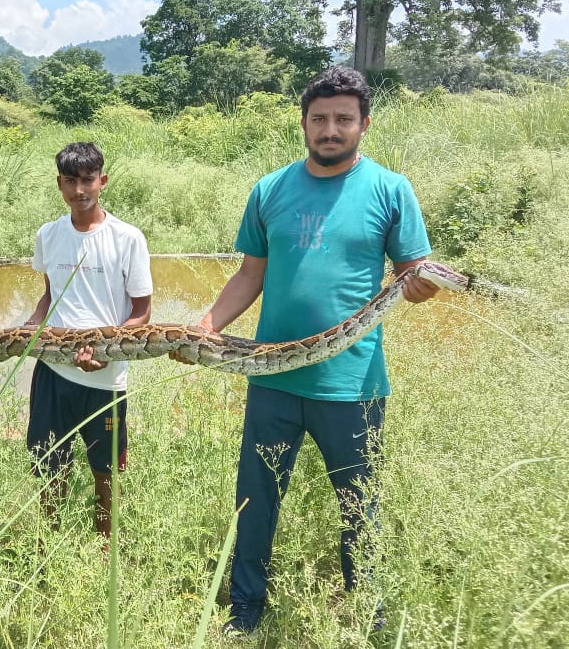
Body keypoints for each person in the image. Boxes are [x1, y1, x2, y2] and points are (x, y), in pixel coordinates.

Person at [181, 67, 439, 633]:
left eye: (344, 118)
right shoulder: (270, 189)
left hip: (353, 384)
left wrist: (423, 286)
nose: (330, 129)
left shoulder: (391, 190)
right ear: (303, 123)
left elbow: (413, 274)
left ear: (364, 124)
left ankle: (367, 617)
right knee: (255, 501)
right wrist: (206, 326)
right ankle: (245, 613)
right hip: (272, 378)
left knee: (358, 505)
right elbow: (250, 275)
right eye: (319, 119)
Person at [25, 142, 153, 539]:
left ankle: (103, 547)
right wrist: (30, 326)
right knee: (50, 465)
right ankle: (48, 543)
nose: (79, 190)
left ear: (102, 181)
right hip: (53, 374)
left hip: (106, 381)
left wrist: (106, 352)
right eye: (70, 181)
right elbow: (50, 295)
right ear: (59, 184)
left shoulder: (128, 238)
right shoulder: (48, 235)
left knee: (106, 469)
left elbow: (142, 312)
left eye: (87, 180)